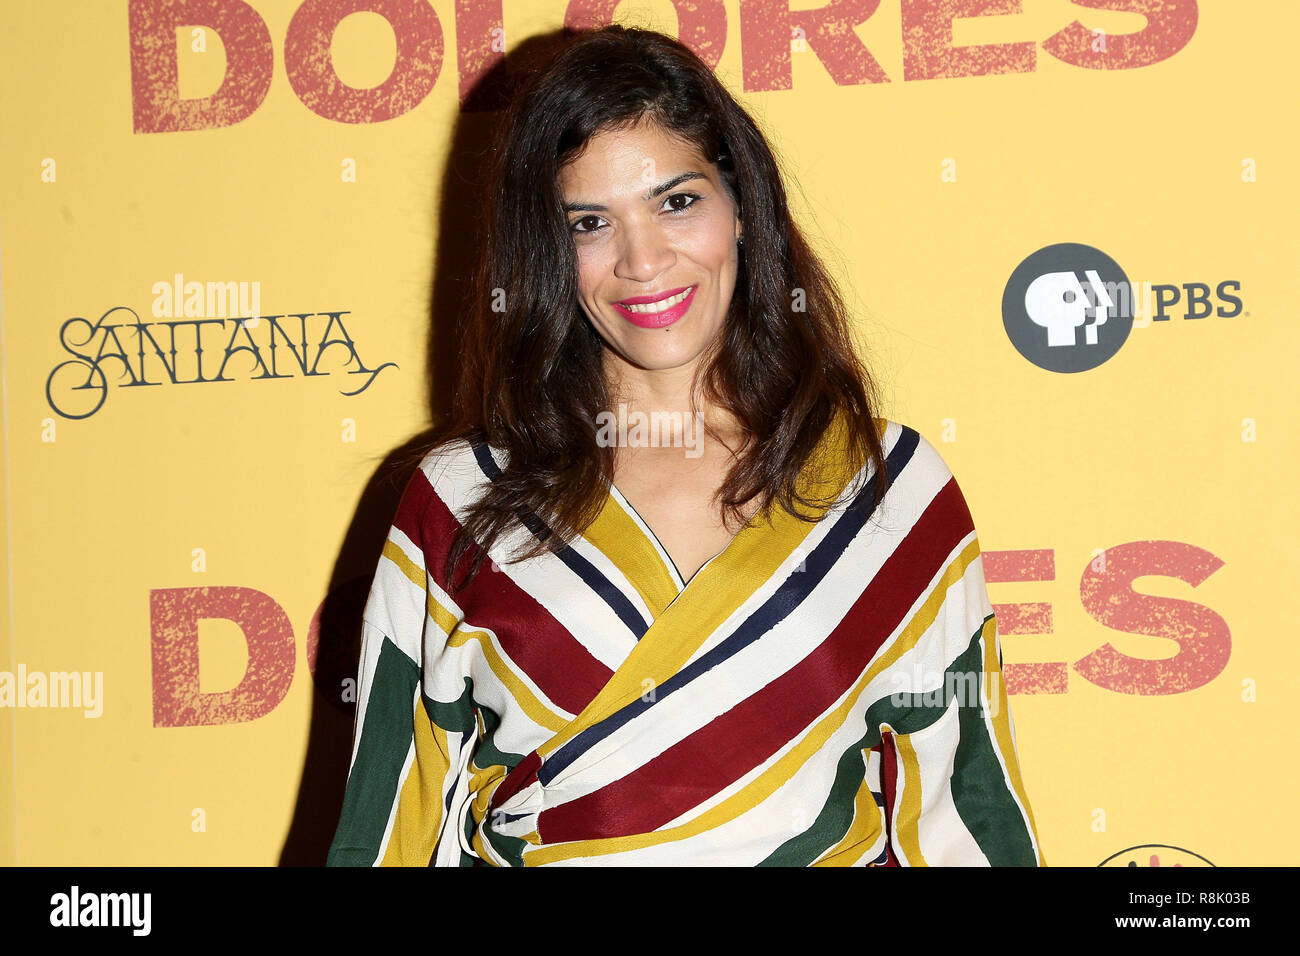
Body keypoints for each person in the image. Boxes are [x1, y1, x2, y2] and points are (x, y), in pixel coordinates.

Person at [326, 24, 1045, 867]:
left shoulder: (886, 487)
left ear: (741, 207)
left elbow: (970, 818)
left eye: (677, 201)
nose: (644, 260)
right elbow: (391, 831)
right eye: (590, 222)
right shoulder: (459, 502)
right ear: (549, 252)